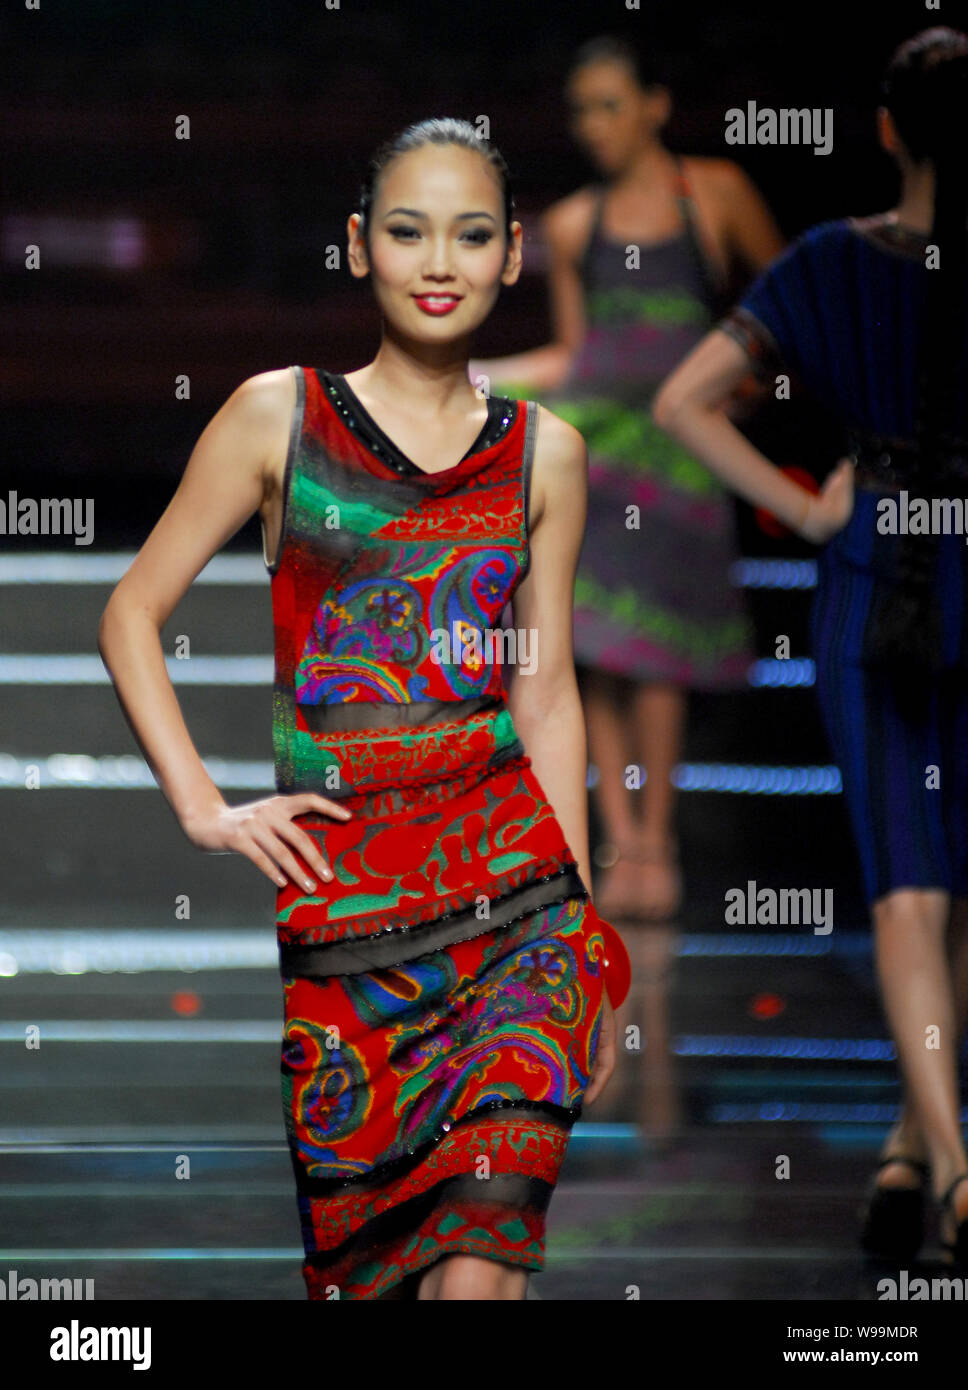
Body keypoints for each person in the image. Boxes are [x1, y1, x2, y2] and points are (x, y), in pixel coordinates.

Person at [97, 117, 630, 1302]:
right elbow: (130, 611)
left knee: (481, 1265)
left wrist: (584, 941)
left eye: (470, 234)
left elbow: (543, 690)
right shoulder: (272, 419)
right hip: (350, 916)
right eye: (407, 230)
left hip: (517, 904)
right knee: (376, 1277)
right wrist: (203, 809)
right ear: (358, 248)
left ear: (508, 259)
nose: (438, 260)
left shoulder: (548, 454)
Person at [651, 28, 968, 1266]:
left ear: (887, 130)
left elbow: (683, 399)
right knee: (951, 884)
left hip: (875, 566)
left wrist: (801, 506)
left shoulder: (832, 262)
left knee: (908, 881)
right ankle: (933, 1154)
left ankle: (934, 1159)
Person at [472, 35, 784, 921]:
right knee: (601, 653)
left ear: (655, 103)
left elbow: (787, 298)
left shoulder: (713, 193)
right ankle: (620, 840)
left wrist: (753, 380)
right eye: (581, 110)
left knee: (663, 658)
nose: (594, 125)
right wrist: (470, 372)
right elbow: (575, 353)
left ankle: (658, 839)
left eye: (611, 103)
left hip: (684, 458)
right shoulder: (574, 224)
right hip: (600, 456)